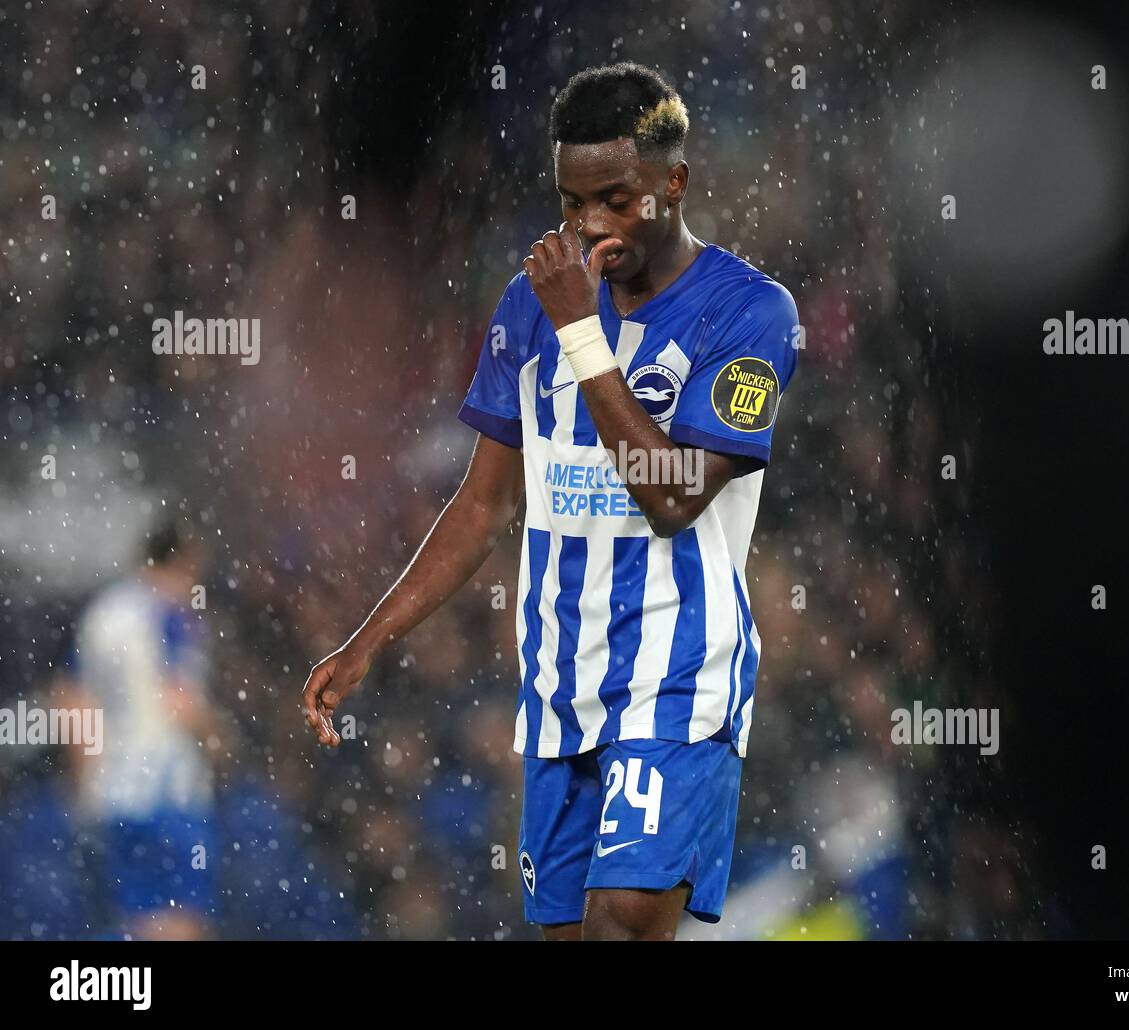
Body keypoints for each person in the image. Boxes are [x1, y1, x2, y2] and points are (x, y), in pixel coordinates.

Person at [303, 61, 799, 940]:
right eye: (573, 203)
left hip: (679, 681)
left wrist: (579, 328)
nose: (590, 227)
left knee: (621, 927)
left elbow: (674, 497)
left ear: (672, 182)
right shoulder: (529, 305)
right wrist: (368, 640)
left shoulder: (750, 314)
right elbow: (484, 505)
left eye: (615, 198)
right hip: (560, 688)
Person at [73, 518, 219, 939]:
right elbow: (181, 700)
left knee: (134, 920)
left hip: (115, 792)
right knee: (182, 921)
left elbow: (72, 697)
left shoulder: (103, 613)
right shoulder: (169, 612)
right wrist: (218, 738)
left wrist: (88, 785)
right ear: (182, 560)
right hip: (167, 789)